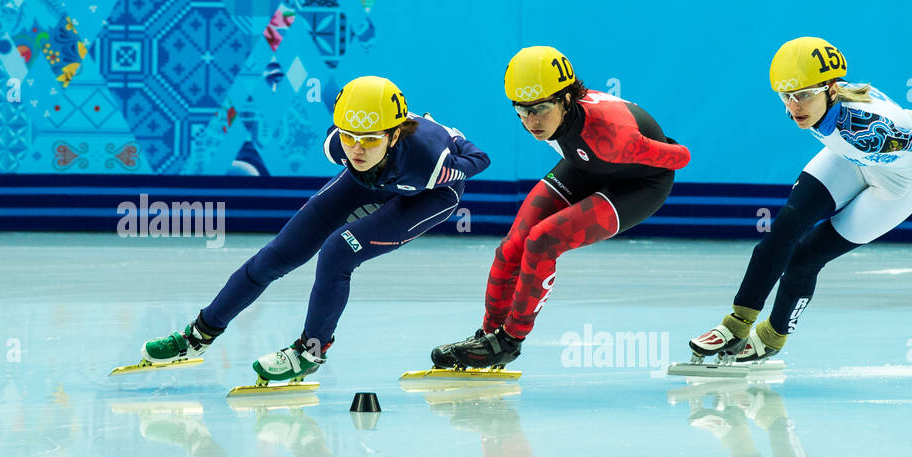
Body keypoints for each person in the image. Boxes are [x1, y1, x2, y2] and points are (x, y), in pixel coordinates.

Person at [138, 75, 490, 381]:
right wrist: (362, 145)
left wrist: (453, 136)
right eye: (350, 136)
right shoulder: (338, 146)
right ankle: (199, 335)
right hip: (368, 180)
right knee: (278, 255)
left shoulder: (432, 162)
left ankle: (311, 350)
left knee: (338, 251)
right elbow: (355, 146)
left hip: (428, 196)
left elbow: (480, 159)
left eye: (370, 139)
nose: (357, 148)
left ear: (395, 135)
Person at [690, 36, 912, 364]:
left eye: (804, 95)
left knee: (804, 259)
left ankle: (773, 336)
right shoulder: (811, 103)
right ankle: (736, 325)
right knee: (785, 228)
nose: (794, 106)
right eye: (786, 96)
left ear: (831, 90)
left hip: (898, 186)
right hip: (850, 159)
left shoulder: (866, 129)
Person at [430, 45, 690, 369]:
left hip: (639, 184)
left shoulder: (610, 135)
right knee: (511, 249)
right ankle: (489, 337)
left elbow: (681, 157)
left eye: (540, 108)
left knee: (543, 241)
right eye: (522, 110)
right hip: (586, 163)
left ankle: (510, 341)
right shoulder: (561, 115)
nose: (531, 120)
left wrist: (650, 147)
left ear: (566, 99)